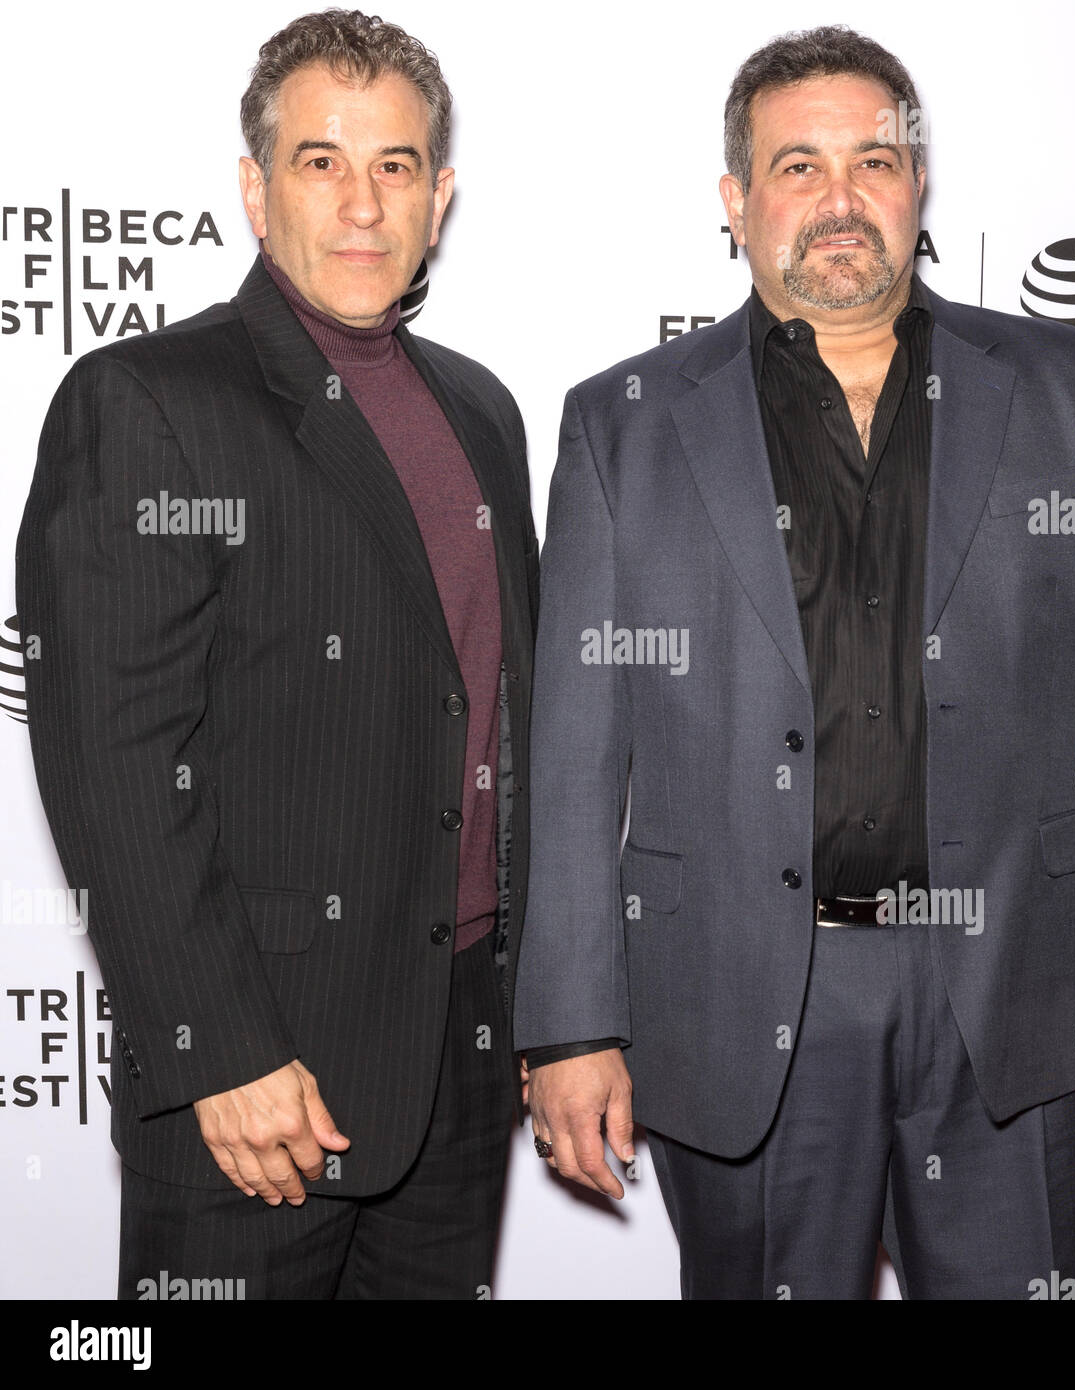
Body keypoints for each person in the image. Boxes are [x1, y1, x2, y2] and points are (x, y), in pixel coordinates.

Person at [513, 24, 1075, 1299]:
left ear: (918, 188)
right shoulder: (620, 424)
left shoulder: (1065, 388)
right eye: (798, 165)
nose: (841, 198)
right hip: (742, 1005)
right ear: (736, 202)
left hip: (1013, 991)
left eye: (875, 160)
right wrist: (571, 1023)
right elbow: (570, 757)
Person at [17, 9, 538, 1300]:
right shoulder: (145, 400)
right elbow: (113, 761)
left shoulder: (483, 408)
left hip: (460, 1064)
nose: (362, 203)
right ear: (254, 189)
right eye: (320, 161)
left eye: (397, 166)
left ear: (442, 196)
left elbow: (503, 722)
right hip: (258, 1085)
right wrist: (220, 1052)